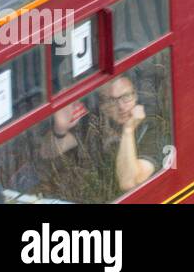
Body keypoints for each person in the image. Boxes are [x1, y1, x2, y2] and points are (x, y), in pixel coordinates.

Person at [39, 73, 171, 201]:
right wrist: (60, 129)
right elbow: (47, 153)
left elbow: (129, 182)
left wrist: (128, 130)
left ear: (135, 96)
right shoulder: (96, 123)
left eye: (126, 96)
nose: (121, 107)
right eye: (112, 100)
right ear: (103, 105)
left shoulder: (152, 126)